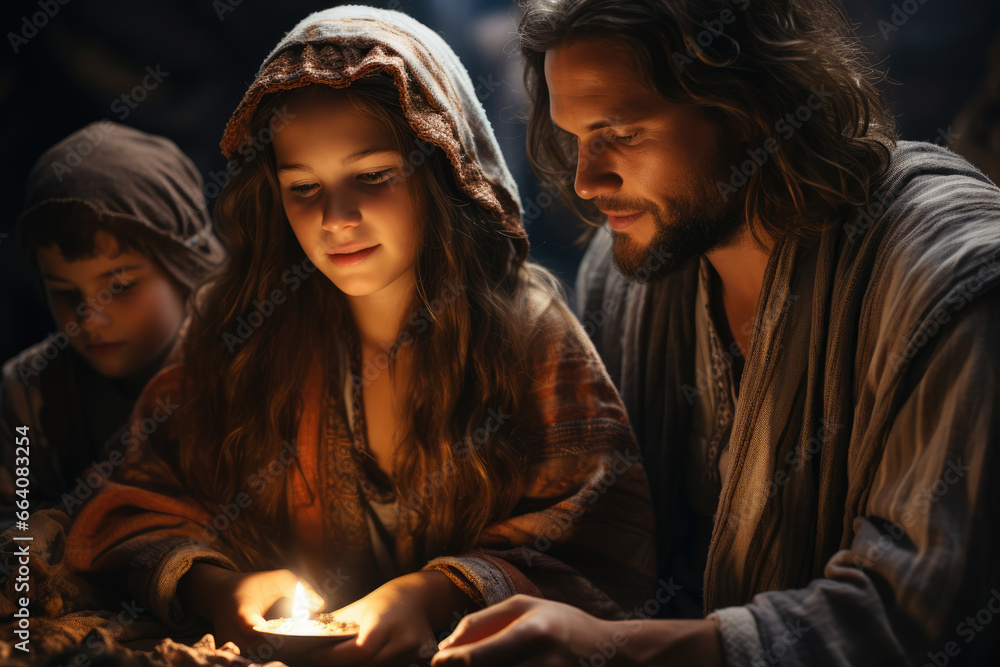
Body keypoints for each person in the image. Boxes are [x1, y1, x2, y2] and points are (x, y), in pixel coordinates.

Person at [64, 6, 656, 666]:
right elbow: (134, 500)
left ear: (444, 166)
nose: (336, 218)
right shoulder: (239, 331)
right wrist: (219, 586)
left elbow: (601, 539)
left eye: (372, 176)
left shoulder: (526, 334)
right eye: (303, 187)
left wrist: (434, 595)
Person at [432, 1, 1000, 665]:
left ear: (749, 107)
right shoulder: (627, 278)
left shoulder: (947, 278)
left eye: (625, 133)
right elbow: (596, 536)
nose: (588, 181)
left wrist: (615, 650)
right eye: (578, 137)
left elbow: (918, 613)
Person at [0, 122, 225, 529]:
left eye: (120, 286)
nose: (89, 317)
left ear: (186, 268)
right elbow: (13, 522)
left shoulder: (247, 368)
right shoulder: (27, 397)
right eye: (64, 292)